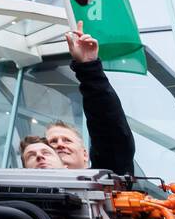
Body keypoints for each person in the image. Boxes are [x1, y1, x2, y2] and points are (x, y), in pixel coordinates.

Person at [46, 22, 137, 174]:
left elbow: (110, 135)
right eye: (51, 143)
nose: (59, 145)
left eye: (67, 140)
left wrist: (89, 69)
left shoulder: (105, 182)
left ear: (85, 155)